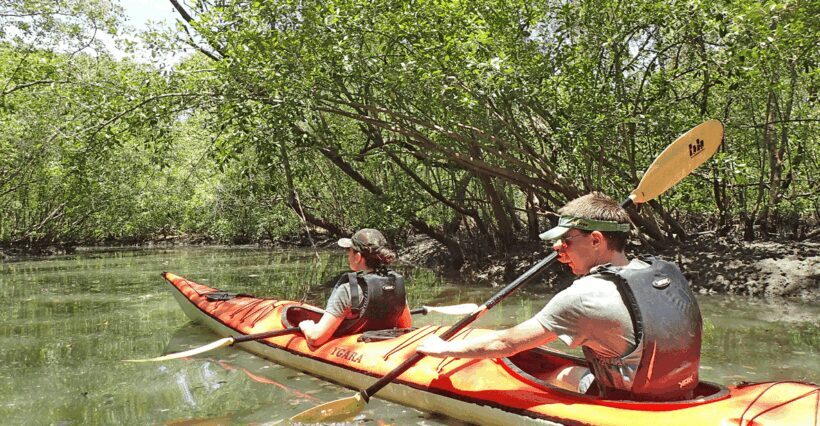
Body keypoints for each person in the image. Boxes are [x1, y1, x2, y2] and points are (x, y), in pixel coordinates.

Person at [418, 192, 702, 401]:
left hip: (630, 402)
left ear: (596, 240)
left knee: (558, 377)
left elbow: (506, 342)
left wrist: (443, 349)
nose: (557, 249)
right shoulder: (664, 272)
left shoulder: (584, 296)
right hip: (682, 392)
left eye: (566, 240)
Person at [299, 228, 412, 347]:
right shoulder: (395, 284)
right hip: (383, 348)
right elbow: (406, 326)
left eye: (350, 251)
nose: (348, 255)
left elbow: (316, 338)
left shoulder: (348, 290)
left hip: (357, 351)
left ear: (358, 257)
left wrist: (307, 327)